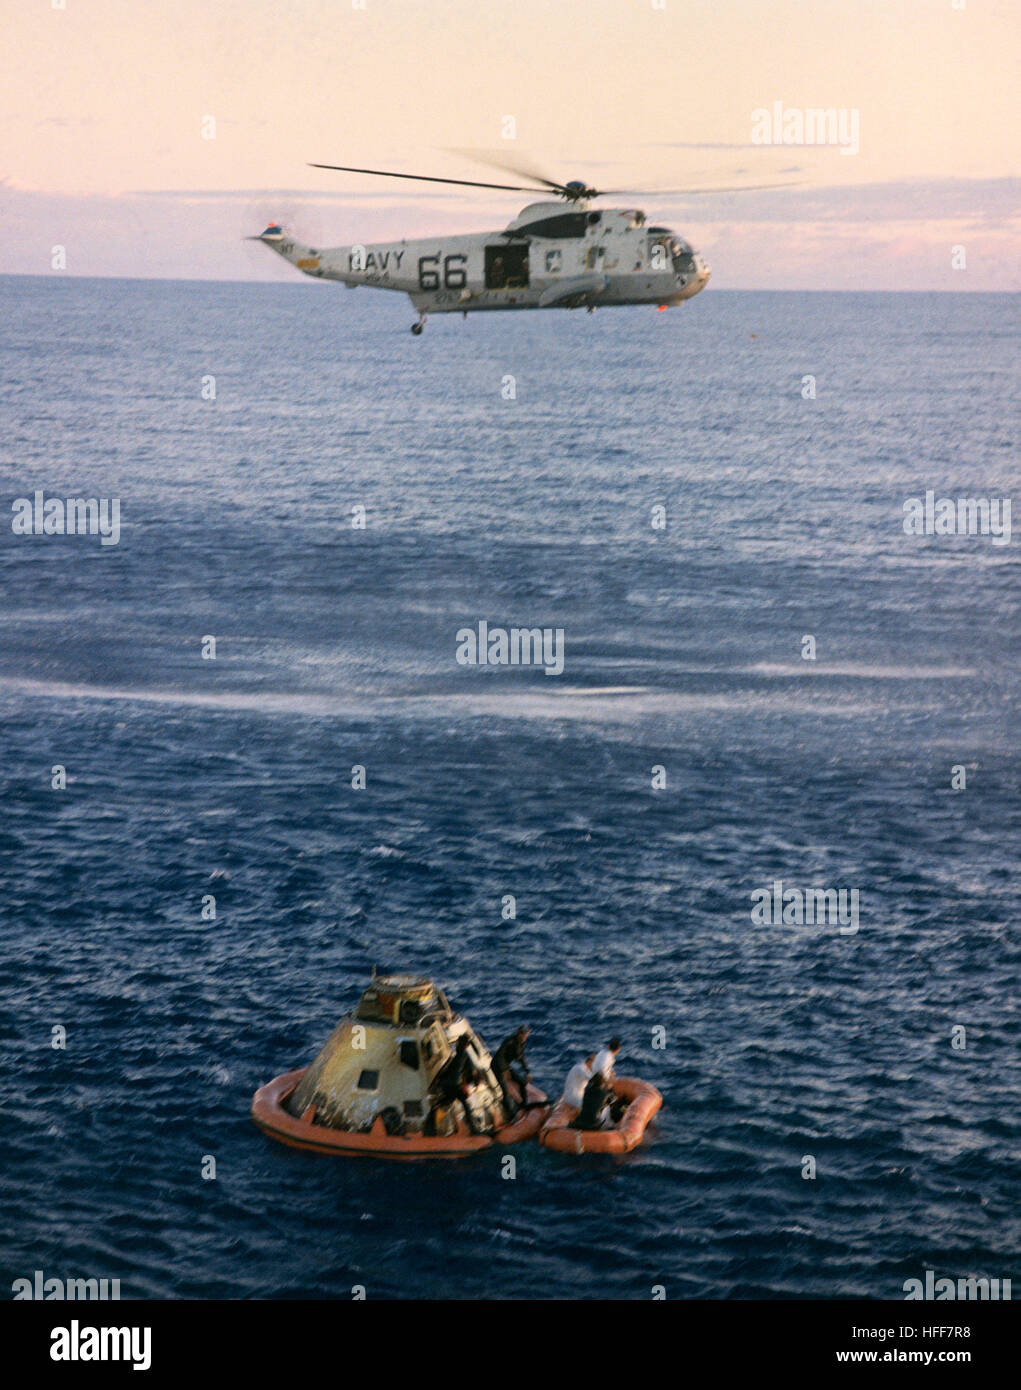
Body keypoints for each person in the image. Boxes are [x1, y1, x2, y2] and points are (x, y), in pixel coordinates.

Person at [434, 1034, 482, 1135]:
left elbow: (447, 1071)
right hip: (455, 1086)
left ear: (458, 1044)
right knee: (466, 1105)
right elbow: (472, 1072)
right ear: (467, 1046)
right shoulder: (465, 1055)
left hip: (446, 1085)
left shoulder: (455, 1055)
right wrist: (475, 1083)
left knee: (444, 1103)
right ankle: (473, 1129)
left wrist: (439, 1083)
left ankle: (434, 1124)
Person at [492, 1025, 532, 1118]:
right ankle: (511, 1114)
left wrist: (527, 1071)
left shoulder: (521, 1043)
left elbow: (521, 1057)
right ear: (519, 1034)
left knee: (523, 1082)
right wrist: (504, 1070)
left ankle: (524, 1105)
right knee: (505, 1090)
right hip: (497, 1067)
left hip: (506, 1066)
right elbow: (499, 1056)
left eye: (527, 1035)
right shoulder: (509, 1042)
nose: (525, 1037)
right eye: (524, 1035)